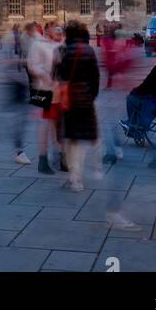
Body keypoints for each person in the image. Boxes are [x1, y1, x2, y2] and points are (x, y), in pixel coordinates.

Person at [55, 23, 99, 191]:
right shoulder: (89, 50)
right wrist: (91, 96)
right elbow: (95, 77)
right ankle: (78, 176)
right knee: (81, 138)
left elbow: (60, 76)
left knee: (71, 138)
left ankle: (73, 175)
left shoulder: (64, 50)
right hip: (85, 99)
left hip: (69, 99)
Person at [27, 23, 61, 174]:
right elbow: (32, 66)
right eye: (55, 27)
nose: (58, 30)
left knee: (56, 124)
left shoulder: (58, 44)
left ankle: (60, 157)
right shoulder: (37, 44)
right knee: (44, 125)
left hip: (57, 90)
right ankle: (42, 160)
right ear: (47, 30)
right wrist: (44, 75)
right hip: (41, 90)